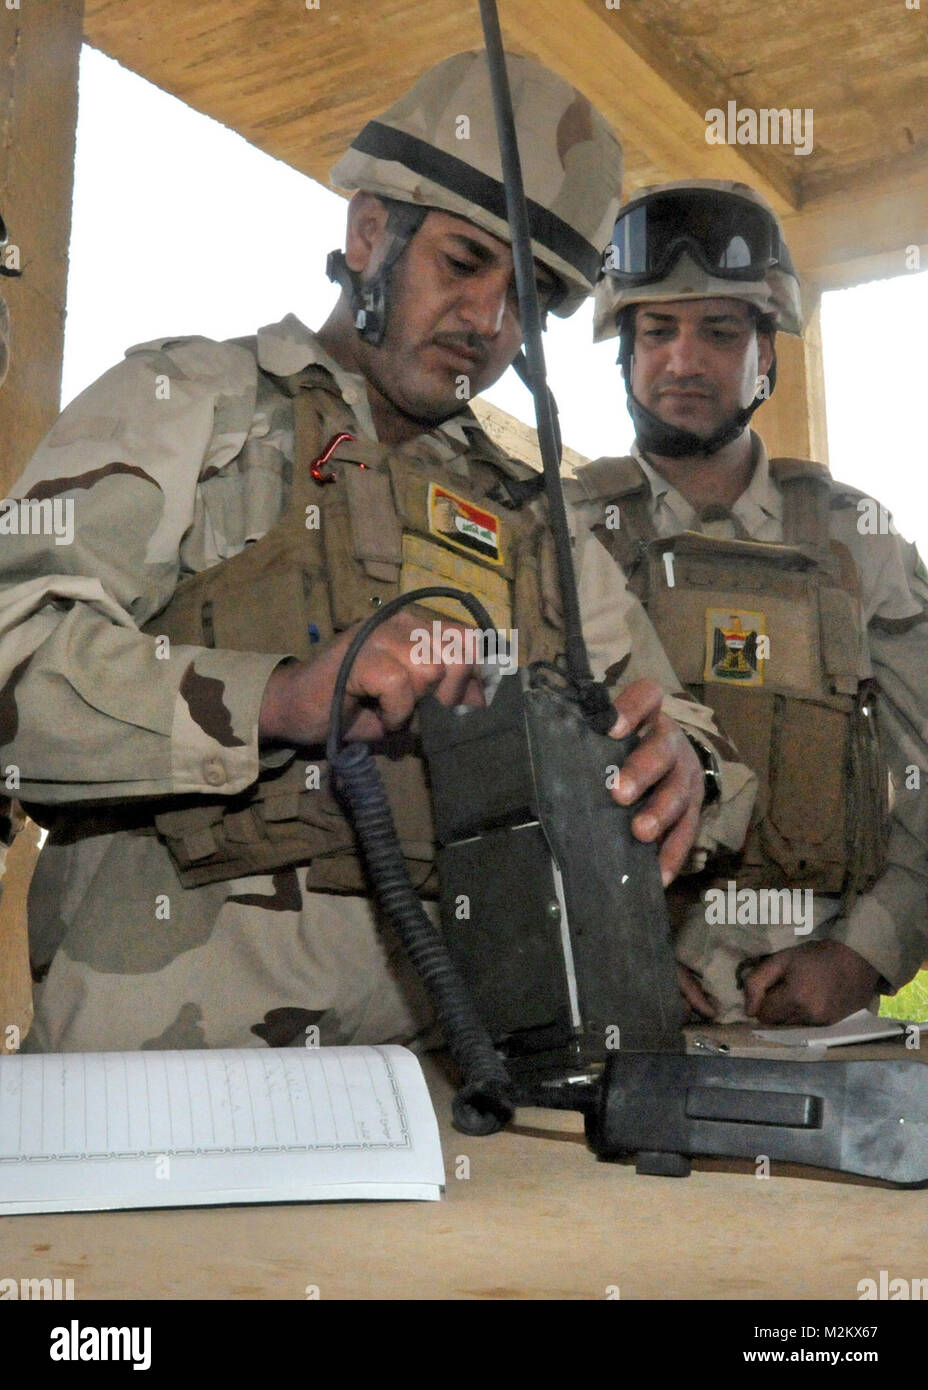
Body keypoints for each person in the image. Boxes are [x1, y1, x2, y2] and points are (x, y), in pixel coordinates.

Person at [0, 60, 752, 1055]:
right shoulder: (193, 404)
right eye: (463, 262)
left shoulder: (536, 519)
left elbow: (686, 731)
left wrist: (683, 771)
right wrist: (274, 698)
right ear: (368, 234)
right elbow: (16, 658)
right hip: (167, 1103)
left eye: (527, 299)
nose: (488, 324)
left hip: (450, 1106)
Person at [574, 178, 928, 1026]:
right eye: (657, 331)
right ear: (625, 351)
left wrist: (862, 955)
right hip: (611, 1013)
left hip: (816, 1014)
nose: (684, 361)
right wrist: (603, 963)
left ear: (765, 355)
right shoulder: (559, 532)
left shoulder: (859, 542)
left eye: (721, 333)